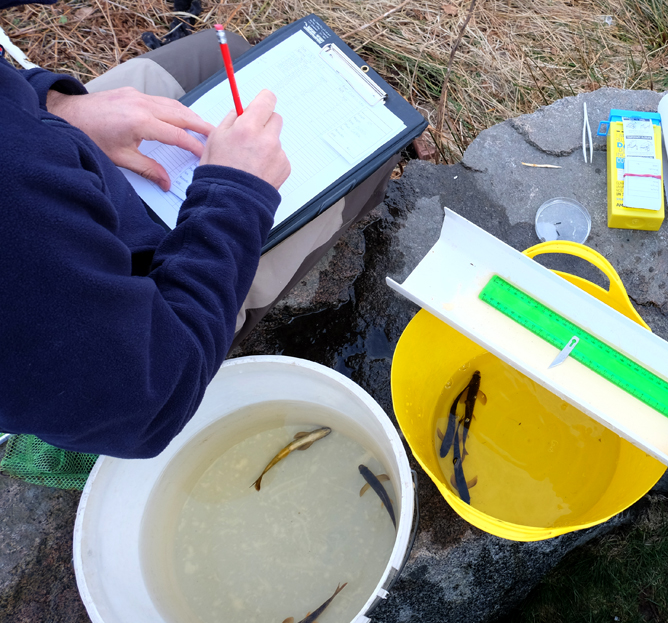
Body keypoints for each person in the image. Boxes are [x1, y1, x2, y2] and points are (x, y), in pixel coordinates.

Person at [0, 0, 398, 459]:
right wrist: (236, 194)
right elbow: (146, 402)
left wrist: (56, 106)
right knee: (371, 161)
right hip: (130, 313)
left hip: (45, 155)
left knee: (216, 55)